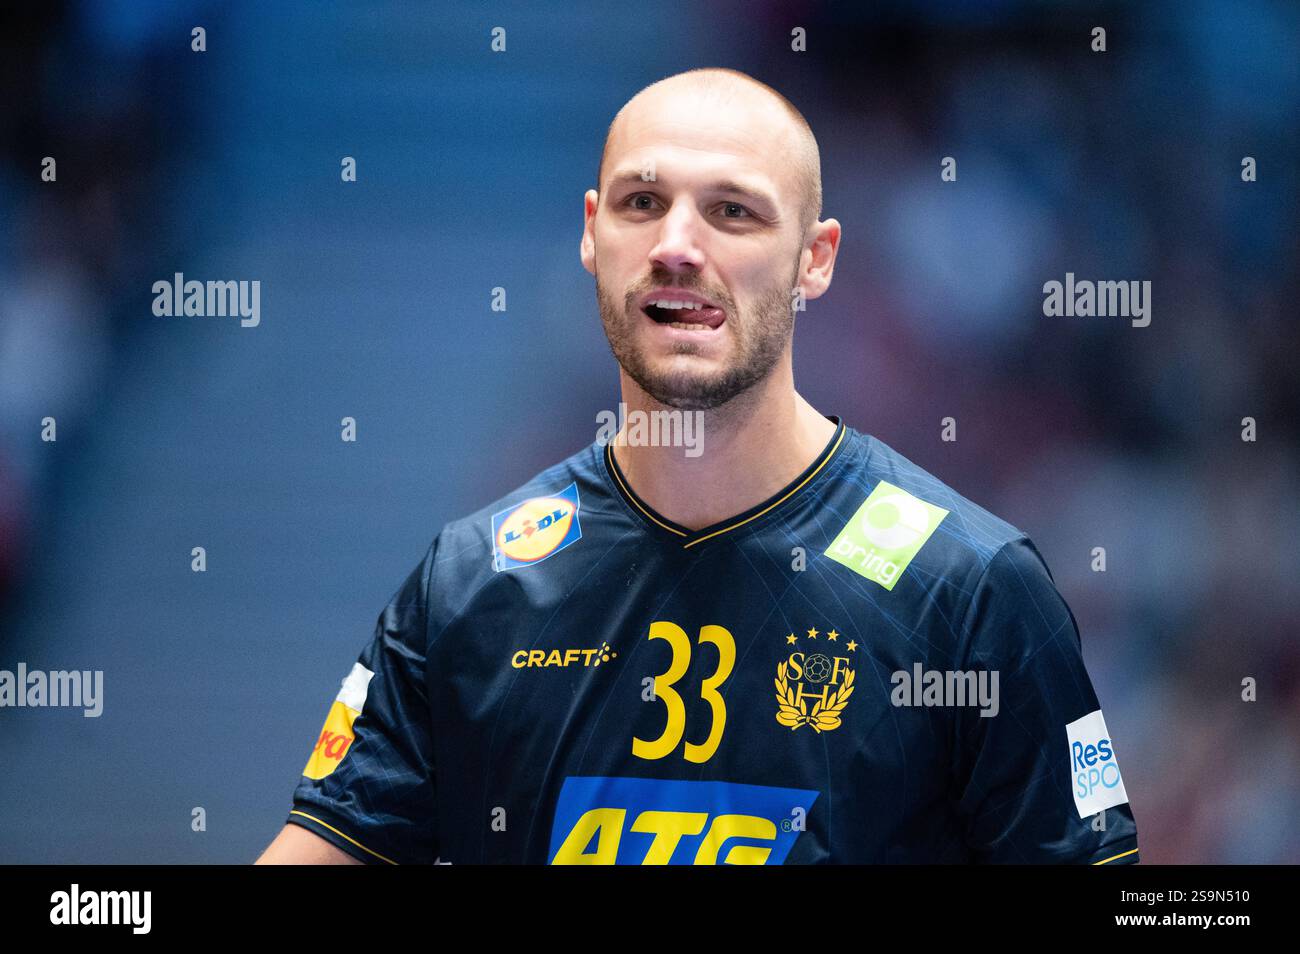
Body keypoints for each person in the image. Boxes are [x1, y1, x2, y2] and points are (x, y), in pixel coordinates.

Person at [257, 67, 1138, 865]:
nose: (678, 243)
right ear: (593, 237)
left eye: (733, 211)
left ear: (815, 258)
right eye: (643, 203)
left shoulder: (968, 591)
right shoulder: (470, 585)